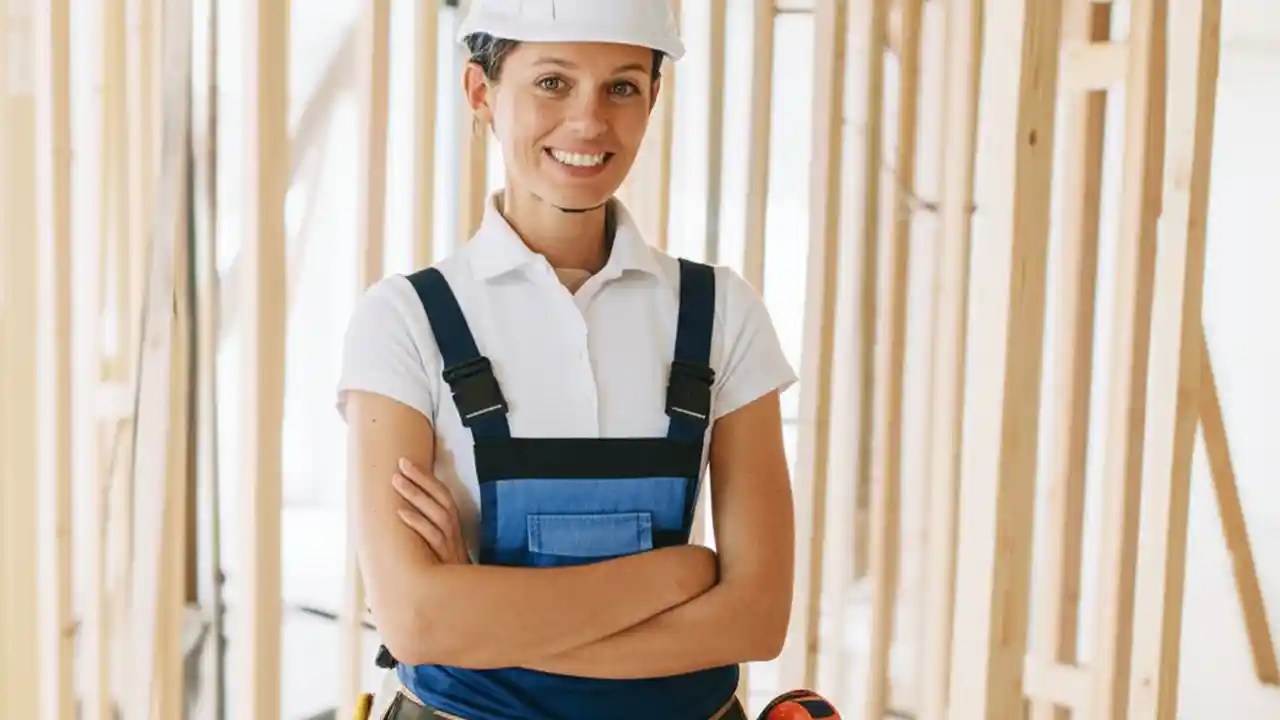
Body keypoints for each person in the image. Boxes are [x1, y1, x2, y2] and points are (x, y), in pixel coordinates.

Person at [337, 1, 816, 718]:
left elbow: (755, 618)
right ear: (481, 92)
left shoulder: (720, 314)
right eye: (553, 83)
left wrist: (481, 623)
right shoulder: (406, 321)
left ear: (654, 97)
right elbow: (413, 620)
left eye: (621, 86)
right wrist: (678, 575)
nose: (589, 122)